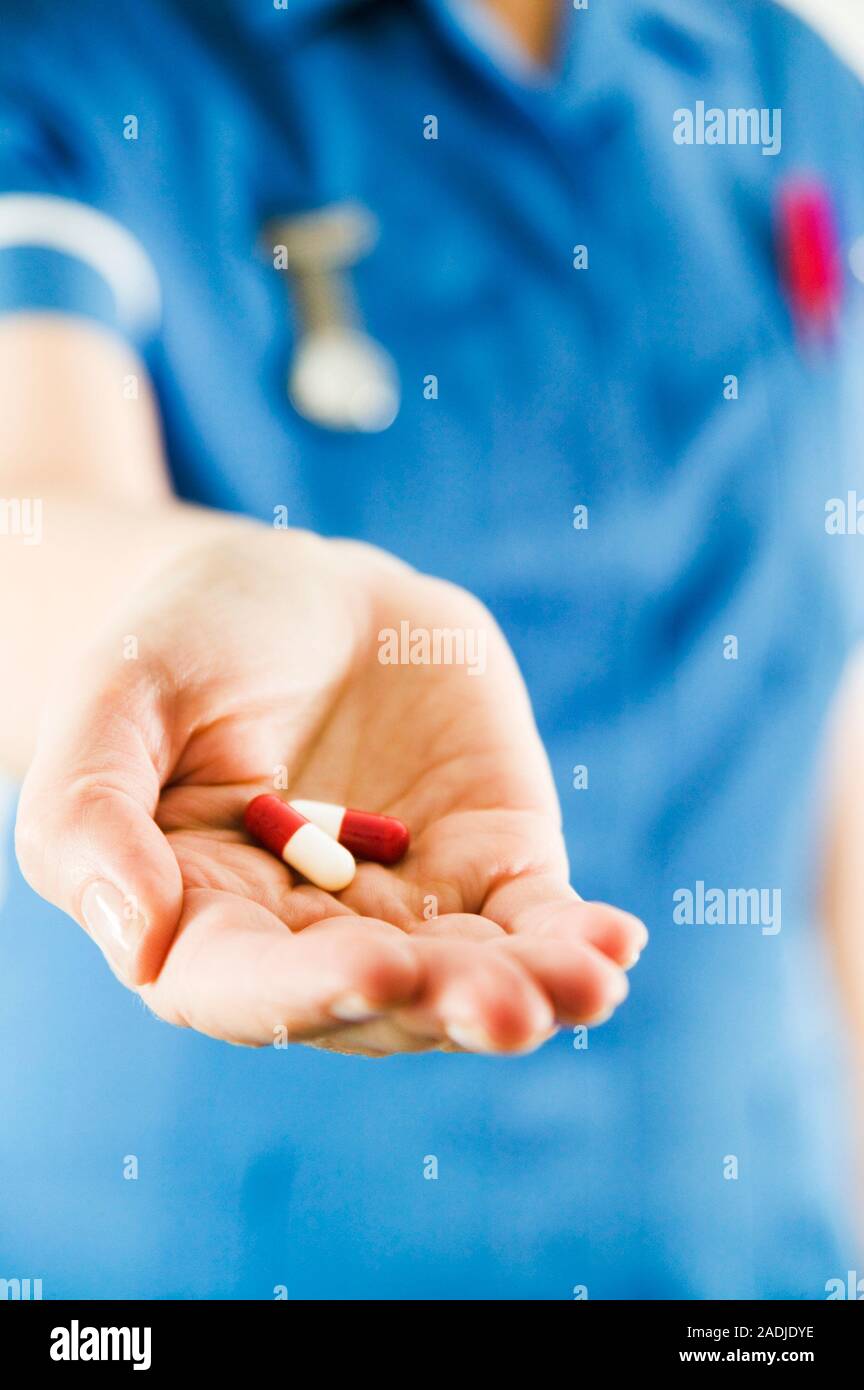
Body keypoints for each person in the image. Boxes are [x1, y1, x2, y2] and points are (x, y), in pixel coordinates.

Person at [0, 0, 861, 1300]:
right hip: (190, 1273)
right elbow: (31, 503)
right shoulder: (73, 57)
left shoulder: (792, 89)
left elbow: (810, 717)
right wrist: (169, 595)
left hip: (745, 1265)